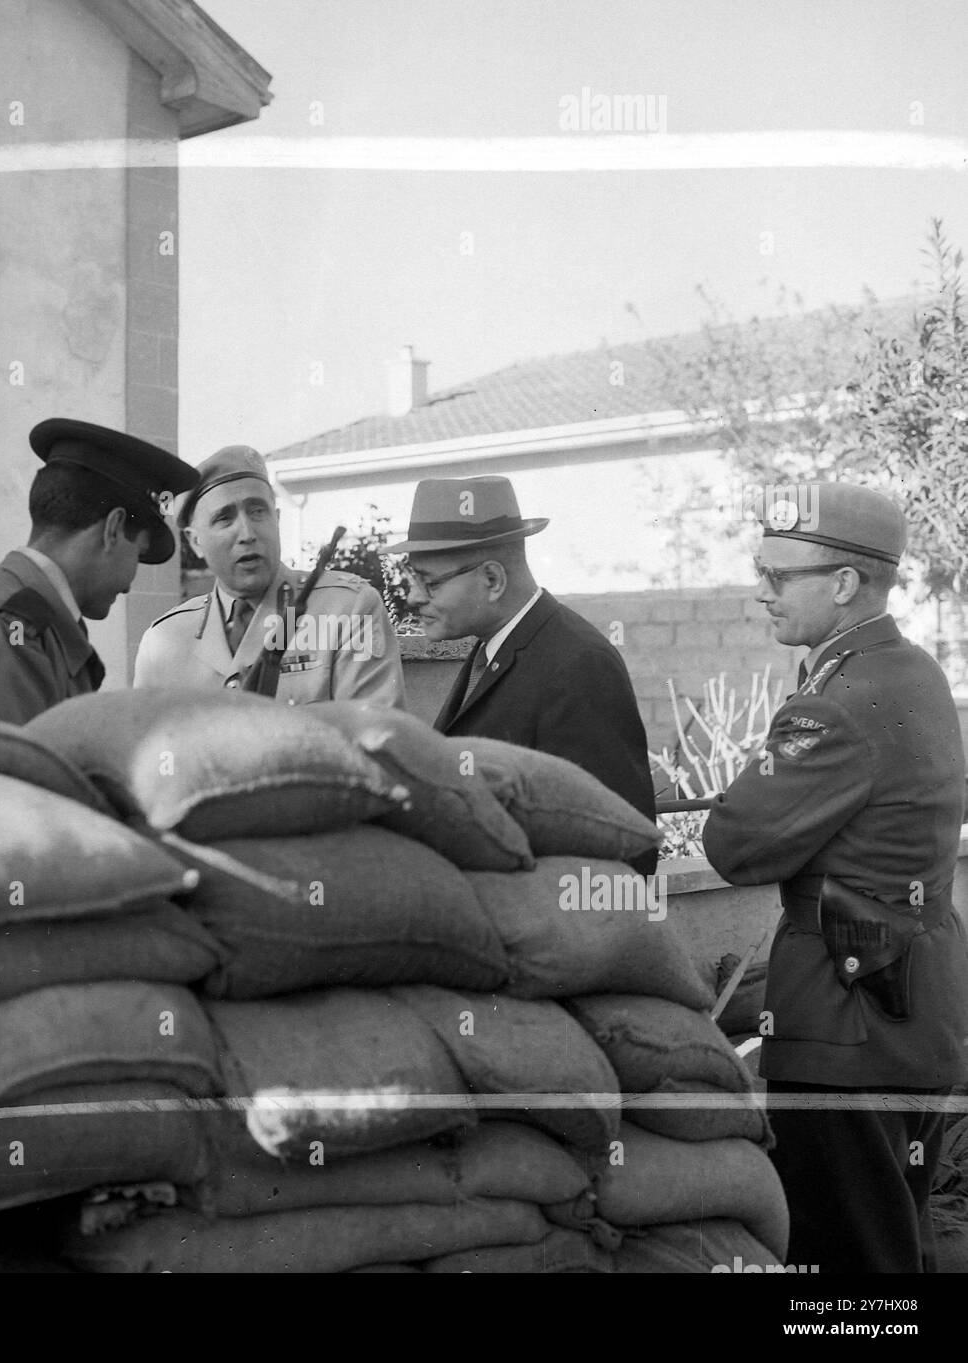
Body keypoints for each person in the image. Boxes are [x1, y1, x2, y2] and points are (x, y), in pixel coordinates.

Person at [702, 481, 968, 1274]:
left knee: (845, 1273)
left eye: (779, 576)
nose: (761, 591)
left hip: (841, 1030)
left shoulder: (836, 702)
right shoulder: (913, 672)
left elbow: (733, 842)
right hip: (913, 1016)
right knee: (896, 1250)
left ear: (845, 584)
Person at [389, 475, 657, 873]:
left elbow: (625, 844)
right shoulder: (495, 645)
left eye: (428, 582)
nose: (412, 597)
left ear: (492, 580)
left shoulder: (578, 663)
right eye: (412, 579)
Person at [0, 418, 197, 725]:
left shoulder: (27, 623)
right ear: (114, 529)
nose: (130, 584)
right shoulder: (2, 629)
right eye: (138, 552)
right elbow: (11, 770)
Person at [134, 445, 405, 706]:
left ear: (277, 520)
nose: (248, 533)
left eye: (257, 511)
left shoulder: (348, 610)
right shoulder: (163, 641)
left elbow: (374, 738)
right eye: (224, 518)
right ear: (195, 542)